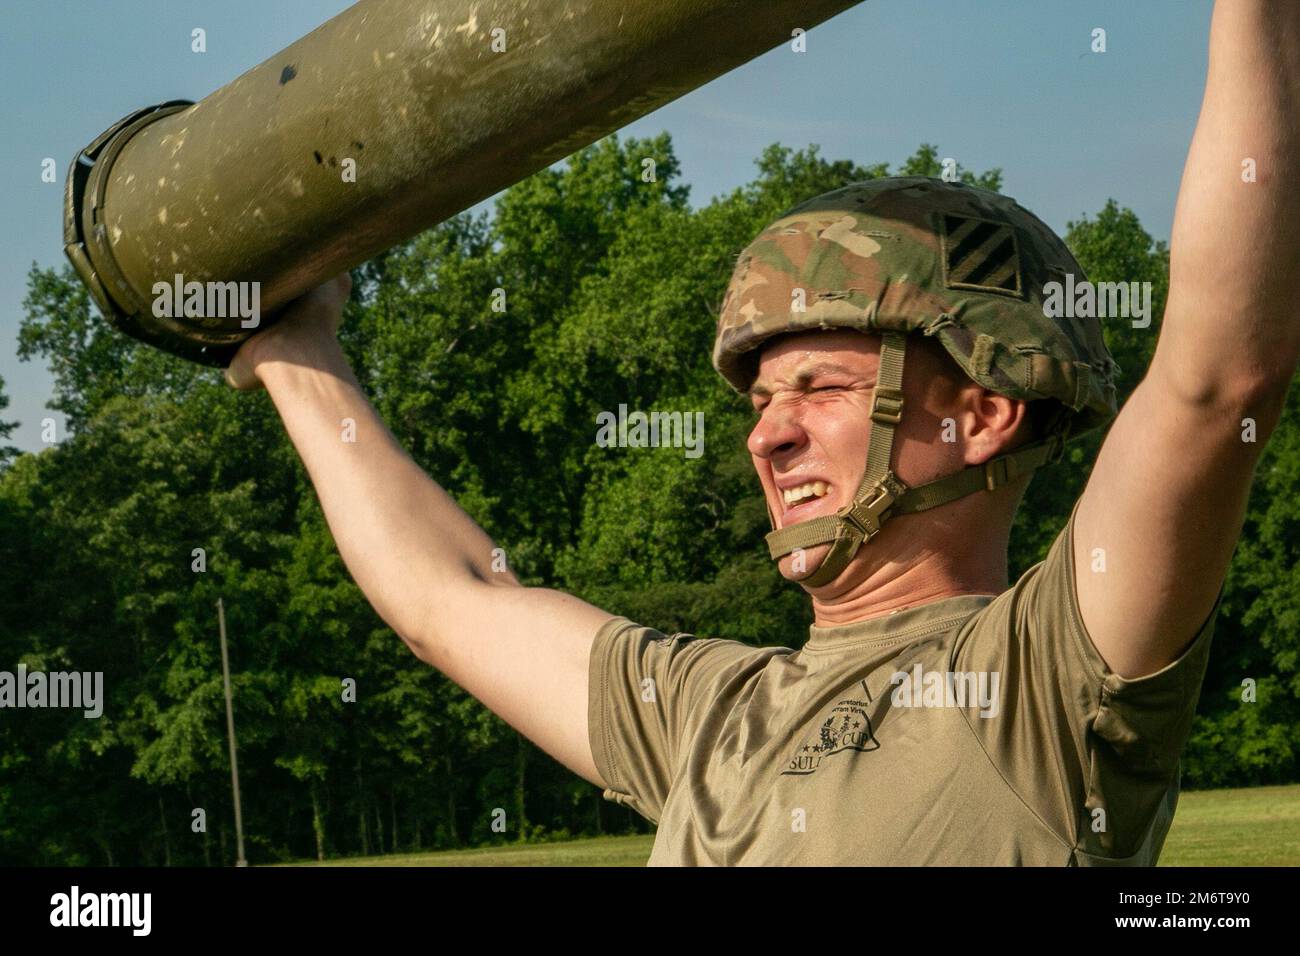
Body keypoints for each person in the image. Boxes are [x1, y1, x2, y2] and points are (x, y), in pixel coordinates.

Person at [224, 0, 1300, 865]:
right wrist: (295, 352)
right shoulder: (705, 715)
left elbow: (1216, 380)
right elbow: (449, 599)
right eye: (756, 401)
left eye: (821, 388)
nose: (766, 438)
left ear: (980, 413)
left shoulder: (1039, 684)